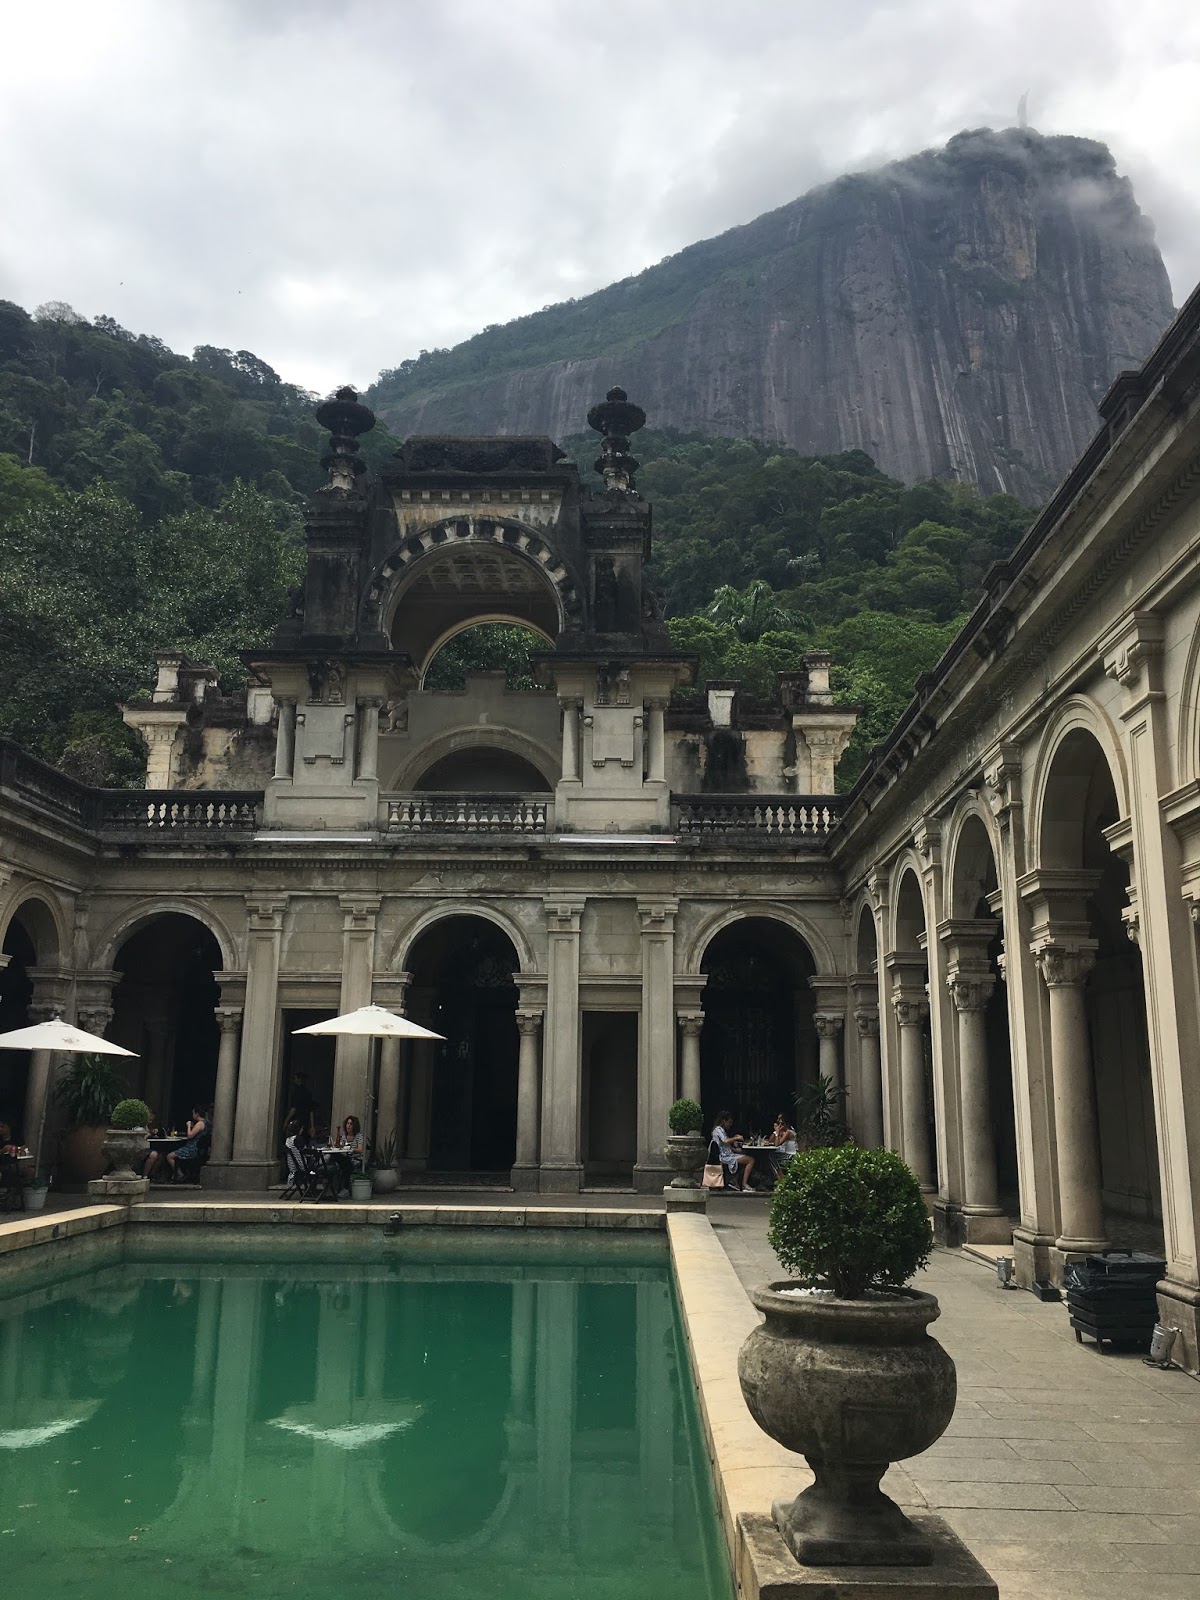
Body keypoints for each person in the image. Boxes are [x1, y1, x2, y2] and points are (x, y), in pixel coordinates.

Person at [711, 1110, 755, 1193]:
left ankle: (734, 1180)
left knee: (744, 1155)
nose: (730, 1125)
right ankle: (744, 1184)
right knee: (751, 1160)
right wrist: (736, 1138)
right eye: (729, 1122)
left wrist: (736, 1149)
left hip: (728, 1153)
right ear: (724, 1121)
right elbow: (726, 1141)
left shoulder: (722, 1130)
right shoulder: (718, 1130)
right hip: (724, 1156)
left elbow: (727, 1146)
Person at [167, 1105, 211, 1182]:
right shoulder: (207, 1123)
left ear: (197, 1114)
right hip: (199, 1149)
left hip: (193, 1148)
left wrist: (188, 1126)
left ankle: (179, 1174)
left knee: (169, 1156)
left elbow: (190, 1135)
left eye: (193, 1113)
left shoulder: (200, 1123)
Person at [330, 1115, 364, 1195]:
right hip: (346, 1157)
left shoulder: (359, 1136)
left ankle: (345, 1188)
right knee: (334, 1157)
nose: (348, 1126)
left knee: (345, 1164)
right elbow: (340, 1145)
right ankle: (334, 1187)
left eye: (351, 1124)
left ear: (354, 1126)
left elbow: (360, 1149)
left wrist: (352, 1149)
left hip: (355, 1158)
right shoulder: (344, 1135)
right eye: (347, 1123)